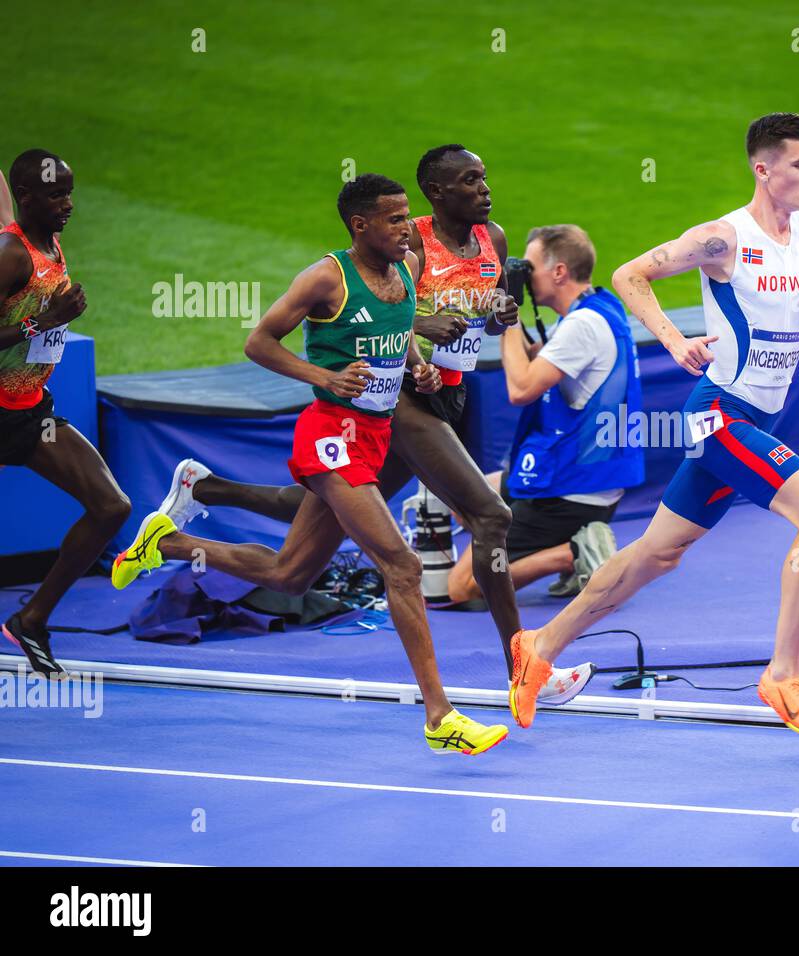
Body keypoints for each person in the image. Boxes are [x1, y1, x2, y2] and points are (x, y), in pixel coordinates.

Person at [153, 146, 596, 703]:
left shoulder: (494, 239)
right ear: (436, 194)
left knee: (314, 537)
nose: (485, 189)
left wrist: (498, 315)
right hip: (401, 399)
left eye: (485, 178)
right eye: (470, 180)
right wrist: (422, 329)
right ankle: (523, 667)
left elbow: (487, 308)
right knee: (490, 515)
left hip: (447, 392)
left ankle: (205, 490)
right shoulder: (406, 239)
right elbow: (383, 302)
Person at [113, 174, 509, 755]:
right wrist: (323, 377)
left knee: (288, 576)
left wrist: (417, 368)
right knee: (400, 565)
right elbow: (259, 342)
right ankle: (440, 716)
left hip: (374, 434)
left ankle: (164, 543)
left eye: (407, 217)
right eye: (396, 219)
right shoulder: (327, 277)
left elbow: (397, 336)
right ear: (360, 225)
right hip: (330, 435)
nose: (408, 228)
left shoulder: (401, 269)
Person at [508, 112, 799, 737]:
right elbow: (629, 276)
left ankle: (537, 649)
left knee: (657, 553)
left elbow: (798, 316)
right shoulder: (722, 238)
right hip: (716, 414)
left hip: (761, 415)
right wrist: (673, 341)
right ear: (763, 169)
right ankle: (782, 675)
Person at [443, 224, 640, 605]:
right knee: (464, 495)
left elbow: (520, 389)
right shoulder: (602, 307)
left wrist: (508, 319)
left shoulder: (581, 326)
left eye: (528, 268)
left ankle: (572, 554)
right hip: (591, 475)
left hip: (571, 491)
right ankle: (547, 549)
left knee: (463, 587)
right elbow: (556, 369)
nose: (523, 278)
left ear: (559, 271)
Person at [0, 150, 131, 675]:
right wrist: (46, 320)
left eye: (69, 192)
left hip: (30, 411)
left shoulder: (47, 239)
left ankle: (31, 619)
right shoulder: (10, 253)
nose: (68, 204)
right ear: (25, 197)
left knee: (111, 507)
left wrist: (53, 317)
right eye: (56, 195)